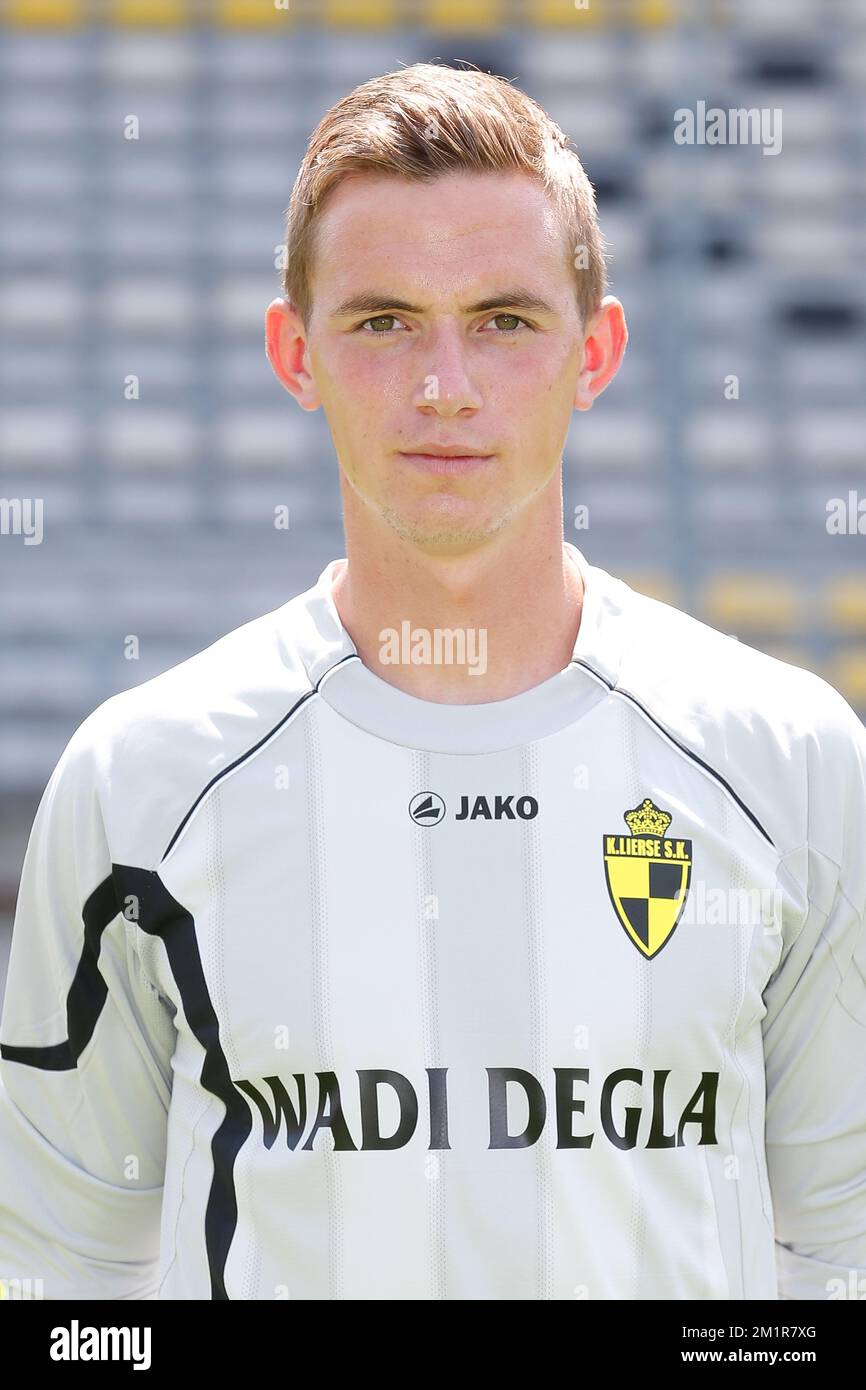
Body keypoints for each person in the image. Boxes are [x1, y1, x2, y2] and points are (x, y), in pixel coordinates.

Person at [1, 62, 864, 1301]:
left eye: (503, 321)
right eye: (383, 321)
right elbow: (55, 1273)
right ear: (294, 352)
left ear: (594, 352)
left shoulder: (786, 759)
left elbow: (842, 1248)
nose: (442, 386)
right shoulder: (141, 778)